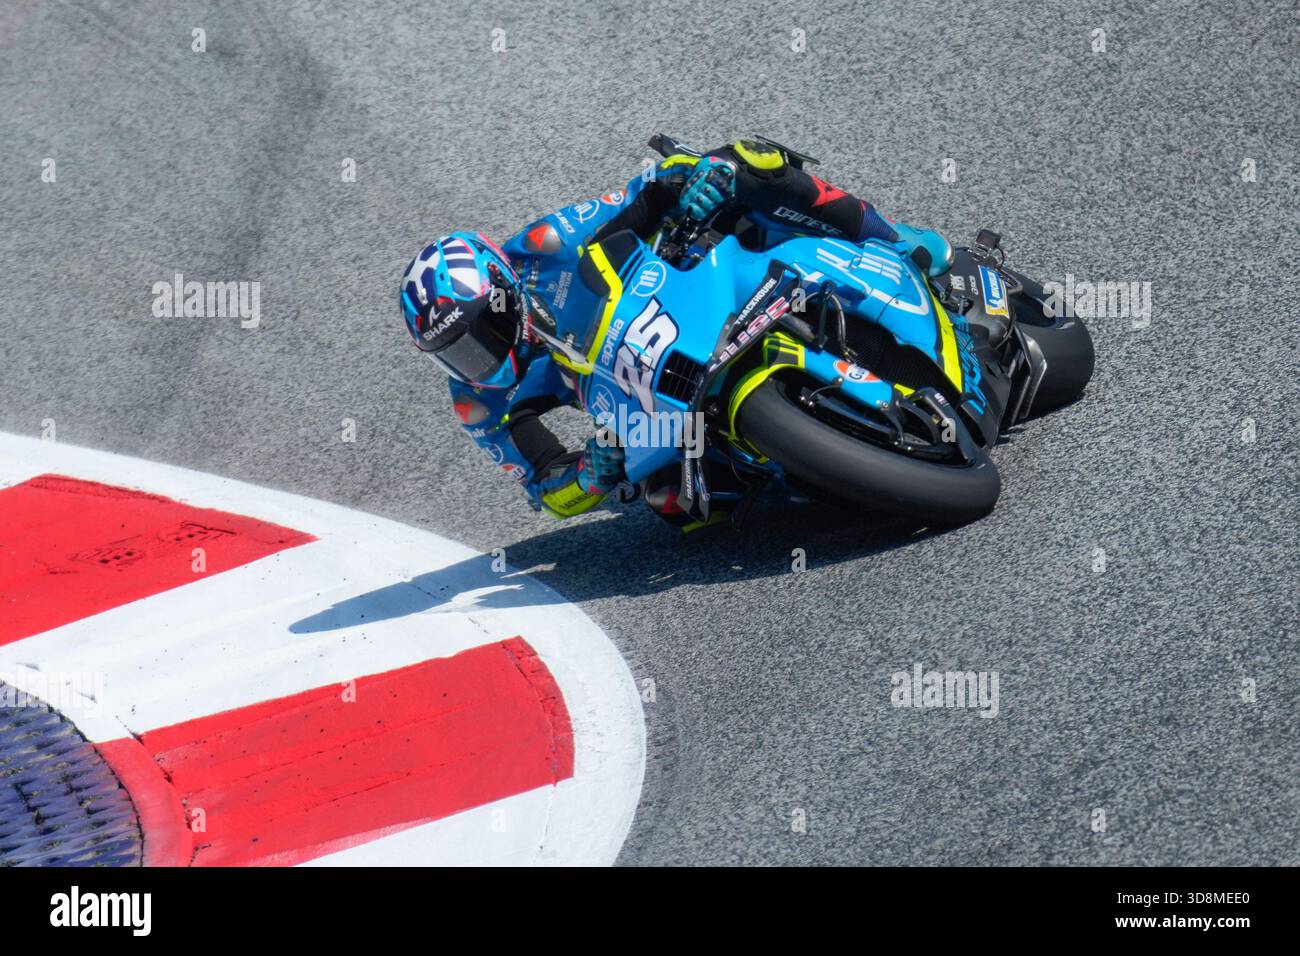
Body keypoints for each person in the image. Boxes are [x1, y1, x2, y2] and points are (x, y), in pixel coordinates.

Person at [399, 138, 952, 519]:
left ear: (503, 290)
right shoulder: (475, 400)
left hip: (673, 293)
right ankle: (812, 462)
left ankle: (891, 240)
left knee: (746, 162)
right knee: (672, 505)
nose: (477, 358)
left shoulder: (546, 246)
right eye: (456, 352)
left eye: (479, 333)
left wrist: (691, 179)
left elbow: (646, 189)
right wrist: (585, 479)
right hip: (637, 400)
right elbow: (542, 487)